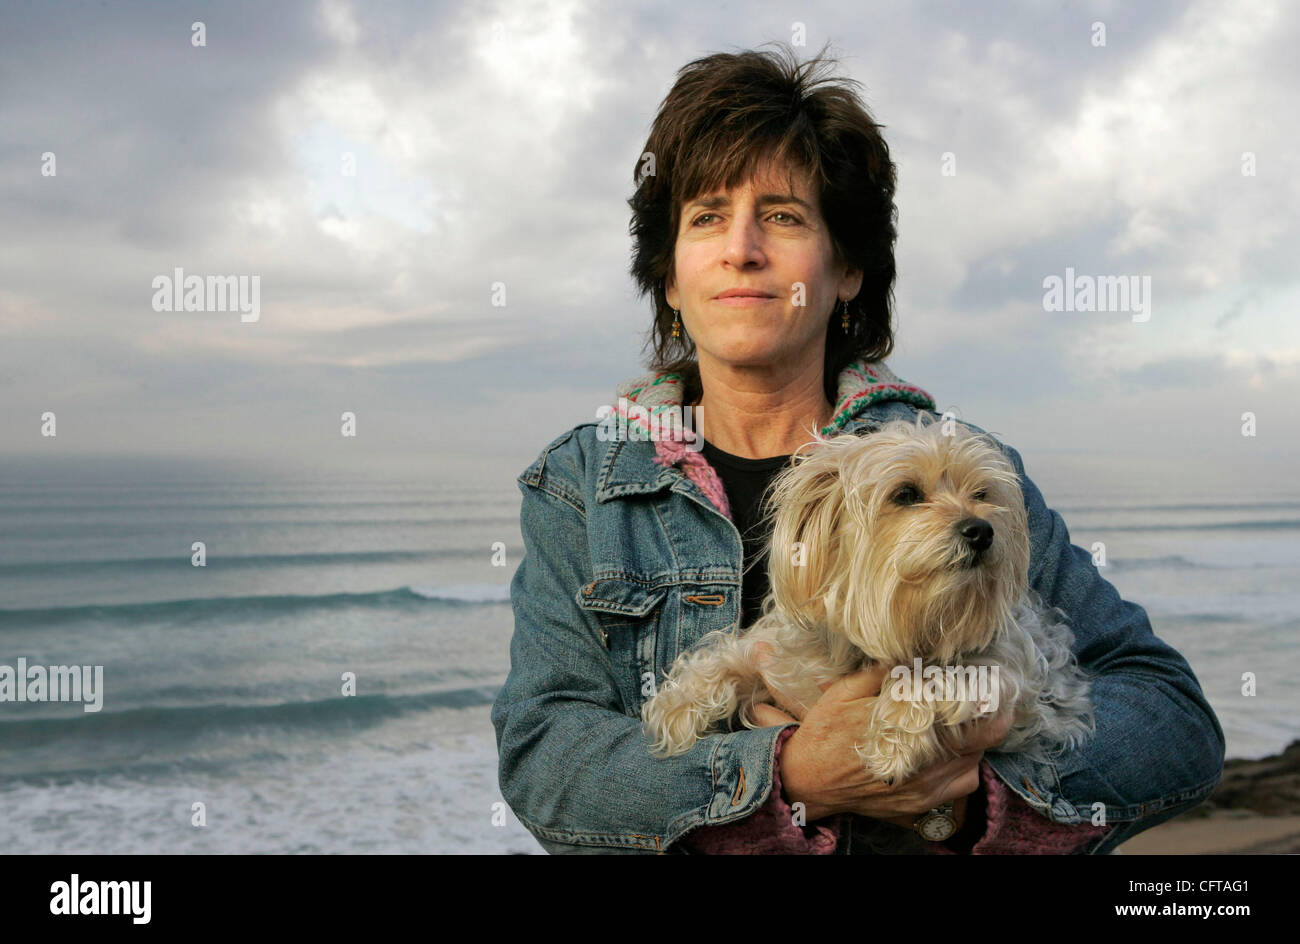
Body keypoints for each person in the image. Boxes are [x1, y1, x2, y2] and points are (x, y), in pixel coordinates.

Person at [491, 42, 1224, 854]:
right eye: (705, 218)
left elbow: (1174, 722)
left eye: (783, 215)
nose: (742, 248)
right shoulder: (582, 486)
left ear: (847, 271)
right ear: (669, 276)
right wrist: (789, 773)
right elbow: (545, 761)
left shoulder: (975, 476)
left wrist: (982, 784)